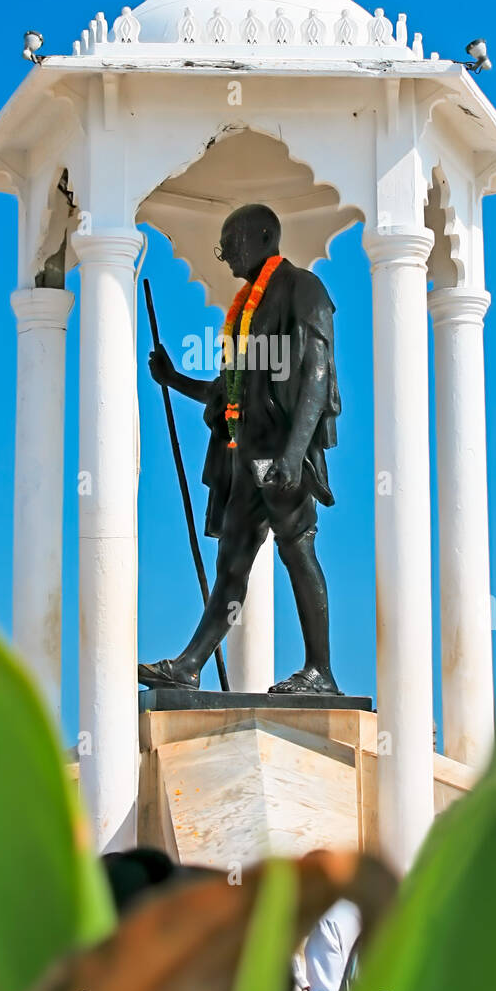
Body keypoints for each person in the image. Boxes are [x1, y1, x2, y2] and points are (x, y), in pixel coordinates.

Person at [138, 203, 342, 695]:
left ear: (264, 236)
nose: (224, 253)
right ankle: (190, 665)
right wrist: (174, 379)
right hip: (243, 456)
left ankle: (321, 673)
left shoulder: (302, 290)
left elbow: (318, 375)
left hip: (280, 455)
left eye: (230, 243)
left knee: (298, 551)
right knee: (231, 565)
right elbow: (231, 391)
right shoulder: (248, 305)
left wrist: (295, 454)